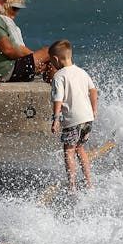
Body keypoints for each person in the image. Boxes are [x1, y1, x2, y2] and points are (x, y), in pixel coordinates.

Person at [48, 40, 98, 192]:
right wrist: (94, 110)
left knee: (69, 150)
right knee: (80, 147)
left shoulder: (59, 76)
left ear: (56, 59)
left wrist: (56, 119)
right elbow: (93, 91)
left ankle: (72, 185)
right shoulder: (82, 72)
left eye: (51, 61)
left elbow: (58, 99)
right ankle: (89, 182)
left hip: (73, 120)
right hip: (87, 117)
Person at [0, 0, 50, 83]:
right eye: (14, 8)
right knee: (52, 52)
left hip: (0, 69)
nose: (16, 13)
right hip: (8, 69)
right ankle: (58, 85)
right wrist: (34, 58)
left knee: (49, 56)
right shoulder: (4, 20)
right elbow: (16, 48)